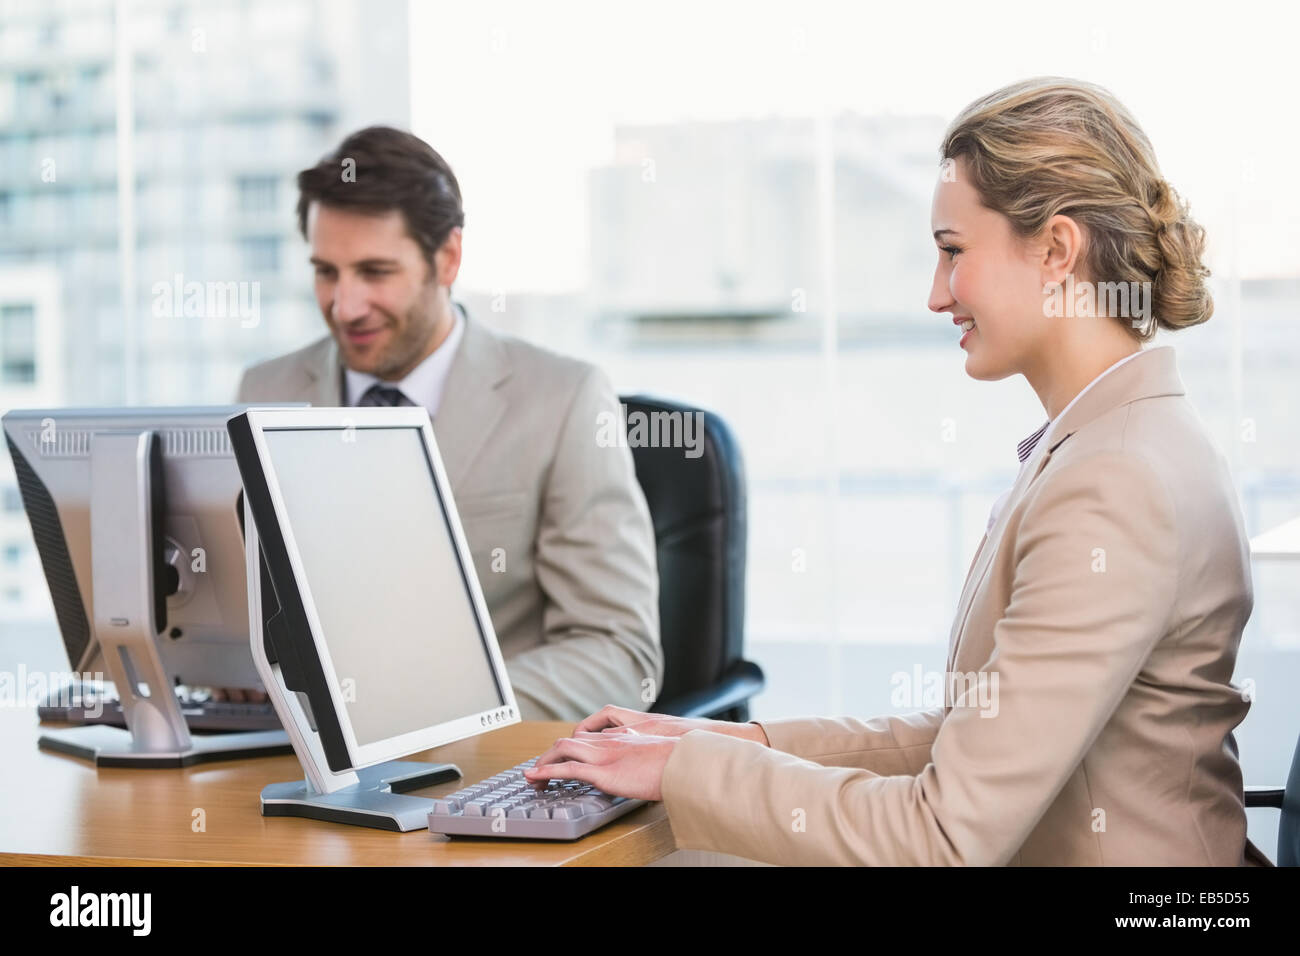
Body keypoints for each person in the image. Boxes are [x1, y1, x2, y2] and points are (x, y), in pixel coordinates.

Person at [525, 77, 1272, 866]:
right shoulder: (1115, 439)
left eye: (954, 252)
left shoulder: (1113, 479)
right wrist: (715, 741)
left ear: (1056, 250)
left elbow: (943, 837)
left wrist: (690, 770)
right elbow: (963, 738)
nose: (935, 293)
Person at [236, 126, 662, 722]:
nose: (345, 306)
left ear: (449, 258)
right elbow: (239, 613)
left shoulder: (563, 400)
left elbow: (619, 652)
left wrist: (434, 709)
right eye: (326, 272)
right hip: (285, 754)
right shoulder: (266, 392)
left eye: (375, 272)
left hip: (478, 773)